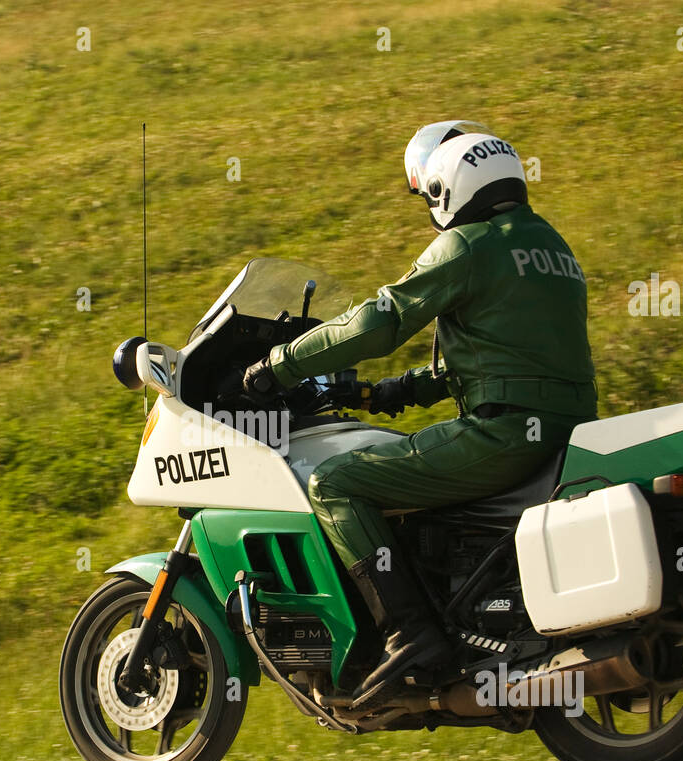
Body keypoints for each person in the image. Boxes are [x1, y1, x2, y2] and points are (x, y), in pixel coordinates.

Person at [242, 120, 598, 707]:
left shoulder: (469, 245)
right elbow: (505, 356)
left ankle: (410, 635)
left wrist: (278, 364)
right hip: (562, 430)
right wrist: (391, 394)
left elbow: (379, 322)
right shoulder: (551, 248)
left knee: (336, 483)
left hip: (501, 435)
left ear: (446, 187)